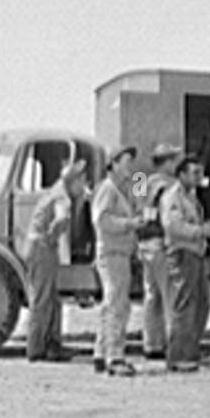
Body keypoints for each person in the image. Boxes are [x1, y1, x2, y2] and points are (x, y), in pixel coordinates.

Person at [161, 154, 210, 371]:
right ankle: (178, 356)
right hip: (182, 253)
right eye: (195, 173)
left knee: (200, 305)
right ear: (180, 174)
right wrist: (202, 231)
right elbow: (173, 226)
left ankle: (190, 351)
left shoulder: (191, 196)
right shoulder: (173, 197)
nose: (200, 177)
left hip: (194, 253)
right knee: (185, 305)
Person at [24, 159, 87, 363]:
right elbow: (61, 219)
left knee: (51, 298)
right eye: (81, 181)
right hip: (43, 248)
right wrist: (52, 236)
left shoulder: (54, 192)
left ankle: (51, 345)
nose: (83, 186)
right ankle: (35, 348)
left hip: (38, 247)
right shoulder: (63, 198)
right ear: (73, 181)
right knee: (42, 298)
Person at [92, 146, 143, 377]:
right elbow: (101, 221)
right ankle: (115, 357)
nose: (130, 167)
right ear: (113, 163)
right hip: (112, 253)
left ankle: (101, 353)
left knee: (111, 303)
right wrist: (130, 224)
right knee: (117, 305)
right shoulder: (108, 189)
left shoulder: (120, 190)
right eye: (126, 162)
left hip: (119, 253)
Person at [138, 143, 182, 360]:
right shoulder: (170, 186)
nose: (176, 164)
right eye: (173, 160)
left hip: (145, 244)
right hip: (161, 244)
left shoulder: (144, 182)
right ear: (165, 163)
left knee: (152, 296)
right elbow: (168, 219)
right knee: (171, 297)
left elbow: (138, 209)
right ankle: (176, 347)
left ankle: (152, 344)